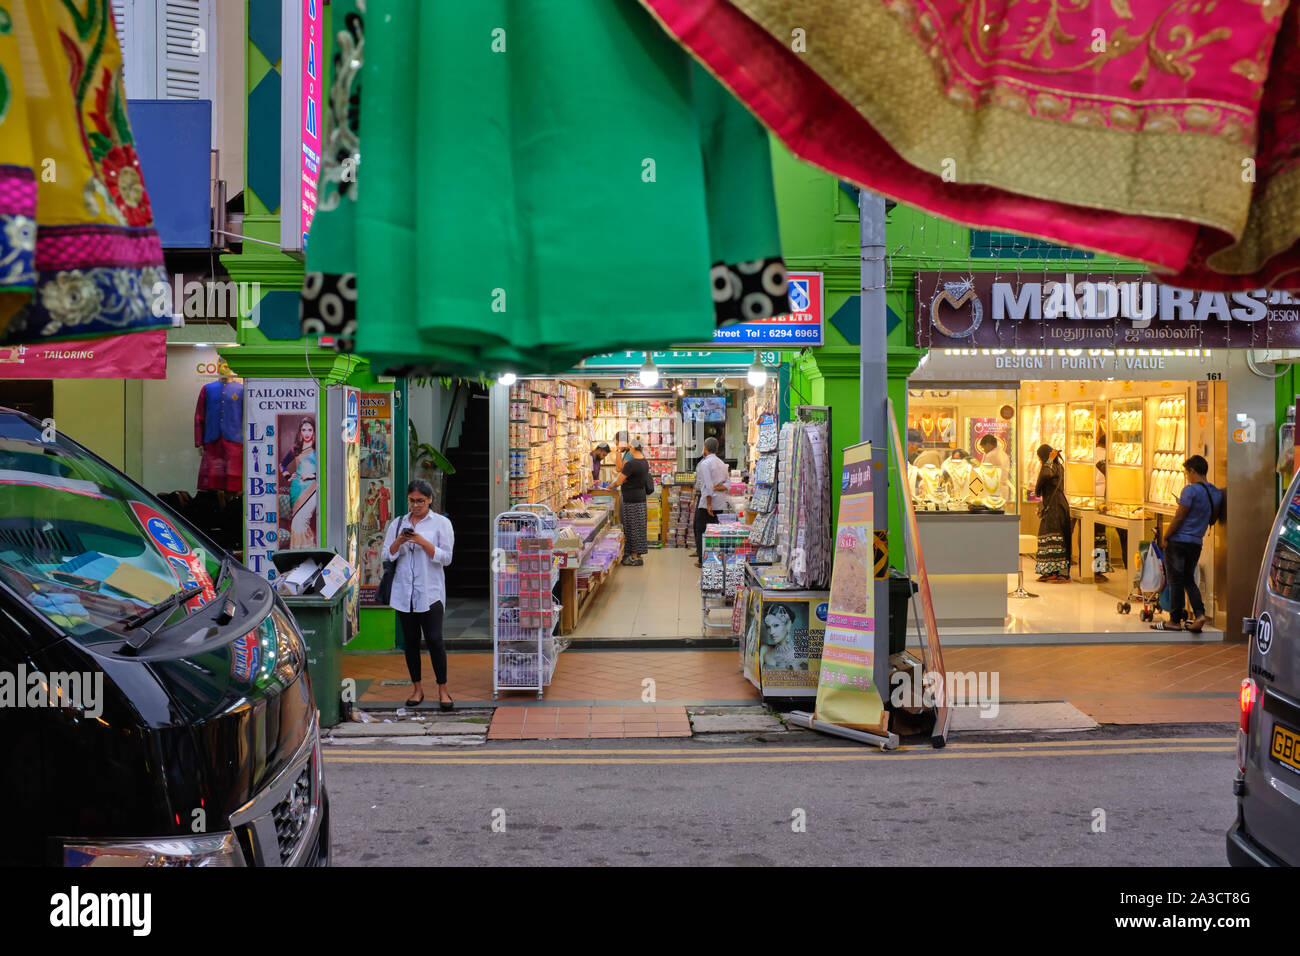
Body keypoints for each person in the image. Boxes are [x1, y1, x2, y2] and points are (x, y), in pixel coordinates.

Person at [383, 479, 456, 709]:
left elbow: (447, 558)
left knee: (435, 640)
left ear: (430, 500)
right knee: (411, 642)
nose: (416, 506)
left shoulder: (441, 524)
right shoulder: (398, 523)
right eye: (412, 501)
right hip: (404, 592)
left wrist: (423, 542)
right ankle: (417, 689)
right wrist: (400, 540)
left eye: (421, 501)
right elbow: (387, 555)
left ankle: (443, 690)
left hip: (430, 592)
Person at [1154, 455, 1223, 633]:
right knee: (1188, 579)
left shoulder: (1189, 491)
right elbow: (1212, 519)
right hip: (1196, 542)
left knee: (1175, 580)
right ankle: (1200, 614)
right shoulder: (1216, 493)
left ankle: (1174, 621)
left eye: (1187, 473)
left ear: (1193, 471)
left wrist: (1166, 536)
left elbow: (1179, 517)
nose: (1187, 477)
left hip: (1179, 541)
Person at [1033, 443, 1071, 583]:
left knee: (1055, 537)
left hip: (1055, 506)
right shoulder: (1057, 466)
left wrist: (1049, 460)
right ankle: (1051, 571)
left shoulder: (1052, 466)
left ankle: (1060, 573)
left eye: (1039, 458)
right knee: (1050, 538)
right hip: (1055, 504)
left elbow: (1046, 474)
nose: (1039, 460)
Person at [612, 439, 653, 566]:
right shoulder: (645, 462)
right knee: (640, 527)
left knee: (631, 527)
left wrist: (610, 486)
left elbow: (619, 481)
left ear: (633, 449)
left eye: (630, 447)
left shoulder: (631, 464)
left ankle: (633, 557)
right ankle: (638, 555)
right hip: (641, 498)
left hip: (630, 499)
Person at [280, 418, 318, 548]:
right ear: (300, 432)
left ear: (314, 431)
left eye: (310, 430)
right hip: (296, 490)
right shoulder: (296, 449)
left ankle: (308, 553)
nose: (307, 433)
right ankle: (298, 558)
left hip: (313, 489)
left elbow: (326, 471)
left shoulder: (318, 448)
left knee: (302, 522)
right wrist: (288, 476)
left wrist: (312, 476)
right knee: (296, 523)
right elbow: (282, 464)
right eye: (304, 430)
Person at [693, 435, 730, 565]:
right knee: (715, 532)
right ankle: (713, 558)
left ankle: (703, 560)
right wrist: (718, 487)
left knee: (701, 530)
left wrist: (708, 504)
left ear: (705, 448)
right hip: (720, 502)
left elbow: (708, 487)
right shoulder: (722, 463)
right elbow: (727, 485)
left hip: (706, 505)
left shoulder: (705, 463)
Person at [976, 433, 1012, 500]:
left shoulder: (991, 455)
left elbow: (984, 473)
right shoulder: (1004, 454)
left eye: (983, 448)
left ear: (988, 445)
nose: (984, 450)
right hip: (1003, 491)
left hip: (993, 491)